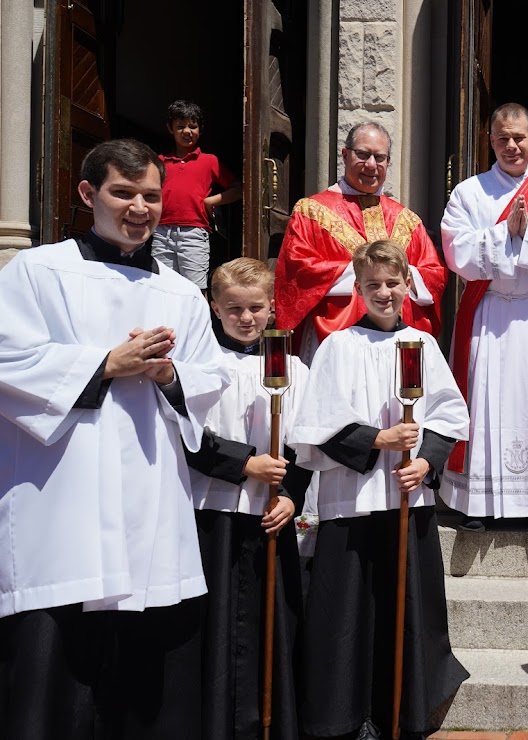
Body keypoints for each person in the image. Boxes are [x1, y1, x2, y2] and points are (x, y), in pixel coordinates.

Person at [0, 138, 229, 738]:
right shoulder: (37, 270)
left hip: (152, 507)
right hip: (61, 508)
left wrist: (168, 374)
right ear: (87, 194)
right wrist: (105, 364)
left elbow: (211, 378)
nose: (139, 207)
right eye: (122, 193)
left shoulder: (181, 293)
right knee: (53, 681)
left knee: (147, 685)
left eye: (150, 195)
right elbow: (6, 363)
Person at [287, 239, 470, 739]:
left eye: (393, 283)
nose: (384, 292)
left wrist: (426, 464)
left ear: (408, 285)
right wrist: (377, 440)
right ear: (358, 289)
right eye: (373, 285)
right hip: (352, 503)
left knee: (405, 613)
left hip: (408, 501)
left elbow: (449, 414)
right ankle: (343, 717)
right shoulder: (338, 347)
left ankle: (404, 712)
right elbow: (317, 422)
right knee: (348, 614)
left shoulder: (422, 346)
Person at [440, 103, 528, 533]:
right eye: (502, 138)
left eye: (519, 137)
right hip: (489, 314)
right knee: (485, 403)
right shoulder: (468, 193)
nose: (511, 146)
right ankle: (478, 502)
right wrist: (506, 233)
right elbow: (456, 252)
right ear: (490, 140)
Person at [185, 258, 314, 740]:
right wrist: (244, 464)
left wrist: (293, 498)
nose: (246, 318)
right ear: (213, 307)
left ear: (272, 307)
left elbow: (304, 442)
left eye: (256, 307)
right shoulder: (199, 366)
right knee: (213, 624)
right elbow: (187, 436)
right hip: (212, 511)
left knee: (270, 622)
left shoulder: (292, 367)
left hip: (269, 516)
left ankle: (272, 721)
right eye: (234, 308)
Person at [275, 122, 446, 361]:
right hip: (336, 334)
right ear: (345, 155)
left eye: (380, 157)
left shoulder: (406, 219)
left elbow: (434, 275)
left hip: (396, 337)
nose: (371, 165)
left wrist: (398, 279)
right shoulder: (311, 212)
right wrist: (369, 276)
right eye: (363, 155)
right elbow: (297, 270)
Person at [153, 100, 242, 292]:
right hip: (161, 232)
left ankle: (198, 323)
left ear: (200, 129)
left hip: (194, 233)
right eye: (180, 126)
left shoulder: (210, 161)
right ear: (170, 129)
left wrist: (212, 200)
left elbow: (238, 188)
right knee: (162, 288)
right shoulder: (159, 162)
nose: (187, 131)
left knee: (195, 289)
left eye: (193, 126)